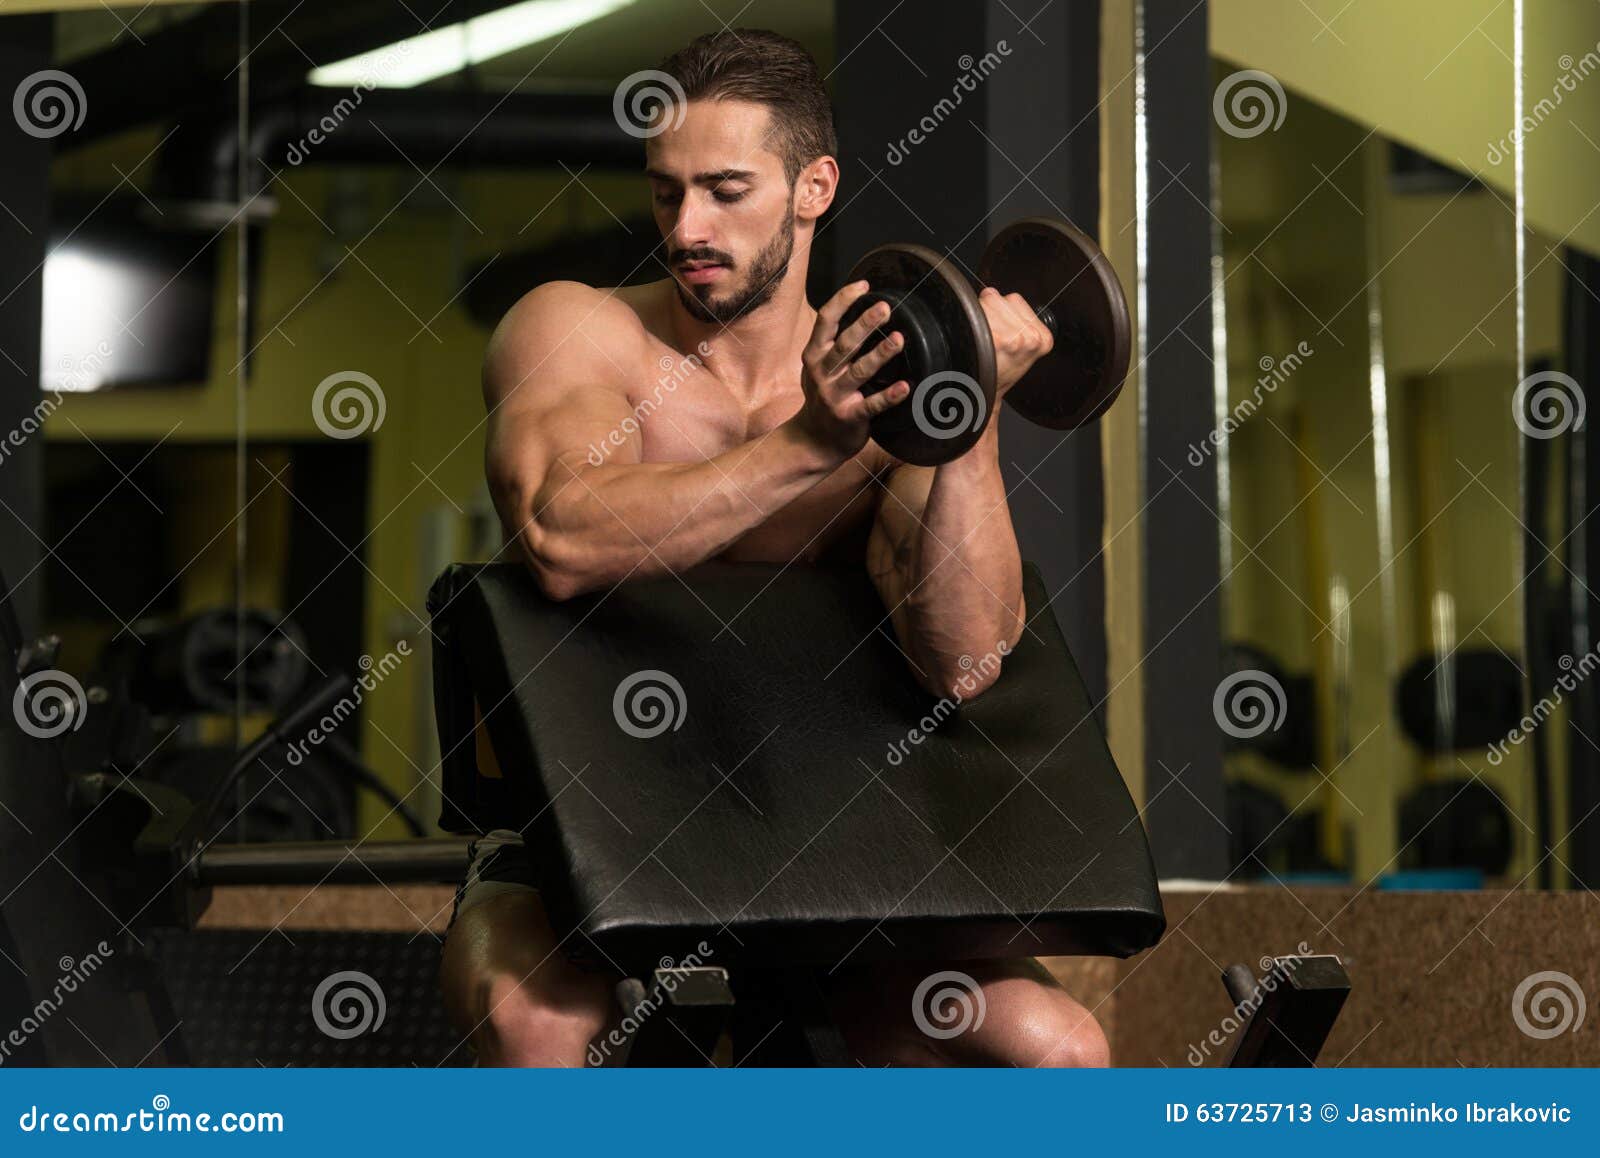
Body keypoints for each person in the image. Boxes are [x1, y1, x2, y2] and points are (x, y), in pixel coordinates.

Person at [440, 28, 1107, 1068]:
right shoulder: (577, 331)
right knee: (540, 1022)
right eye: (667, 193)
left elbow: (966, 658)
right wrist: (808, 445)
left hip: (823, 850)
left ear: (814, 188)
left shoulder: (893, 384)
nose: (687, 226)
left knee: (1052, 1045)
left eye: (725, 190)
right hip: (584, 843)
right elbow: (562, 536)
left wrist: (963, 406)